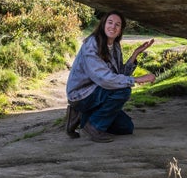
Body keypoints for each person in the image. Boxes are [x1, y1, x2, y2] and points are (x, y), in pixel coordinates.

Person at [65, 11, 156, 143]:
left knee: (126, 127)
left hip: (99, 92)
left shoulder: (115, 46)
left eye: (117, 25)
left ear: (120, 31)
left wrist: (135, 54)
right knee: (124, 90)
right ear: (103, 24)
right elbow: (105, 79)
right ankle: (93, 127)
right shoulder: (92, 44)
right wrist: (137, 79)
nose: (113, 27)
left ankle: (82, 116)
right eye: (110, 22)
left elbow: (119, 76)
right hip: (82, 95)